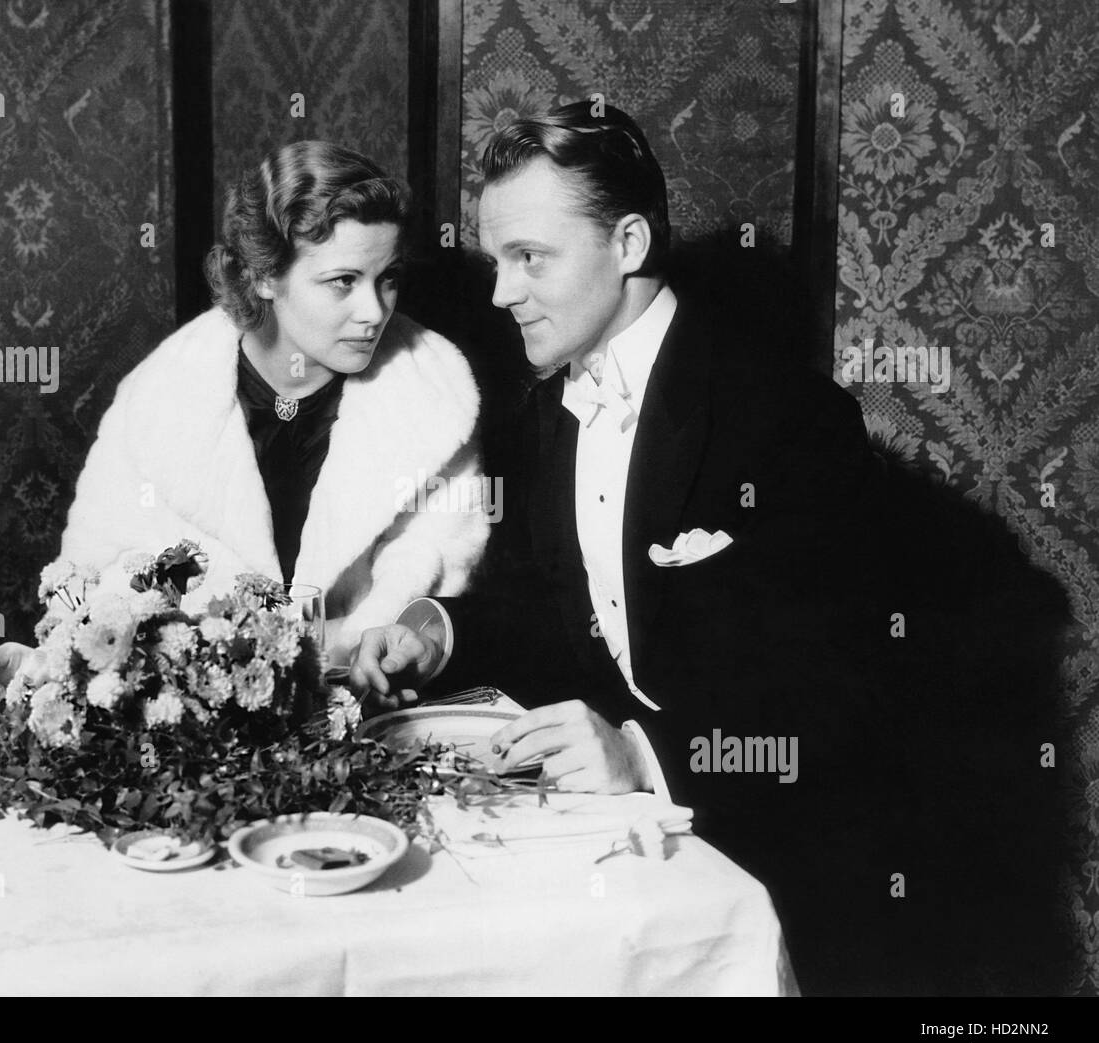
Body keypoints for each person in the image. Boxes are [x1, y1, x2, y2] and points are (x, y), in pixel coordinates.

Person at [348, 103, 1066, 995]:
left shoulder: (784, 416)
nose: (501, 293)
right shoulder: (551, 402)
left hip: (793, 863)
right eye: (498, 260)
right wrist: (436, 626)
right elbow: (556, 605)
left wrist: (641, 756)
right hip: (636, 846)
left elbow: (841, 697)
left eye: (530, 258)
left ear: (631, 242)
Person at [8, 140, 489, 674]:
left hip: (372, 711)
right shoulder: (159, 399)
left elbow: (439, 569)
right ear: (264, 275)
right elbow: (91, 585)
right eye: (343, 282)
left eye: (388, 278)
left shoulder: (433, 397)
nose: (373, 312)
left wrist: (368, 651)